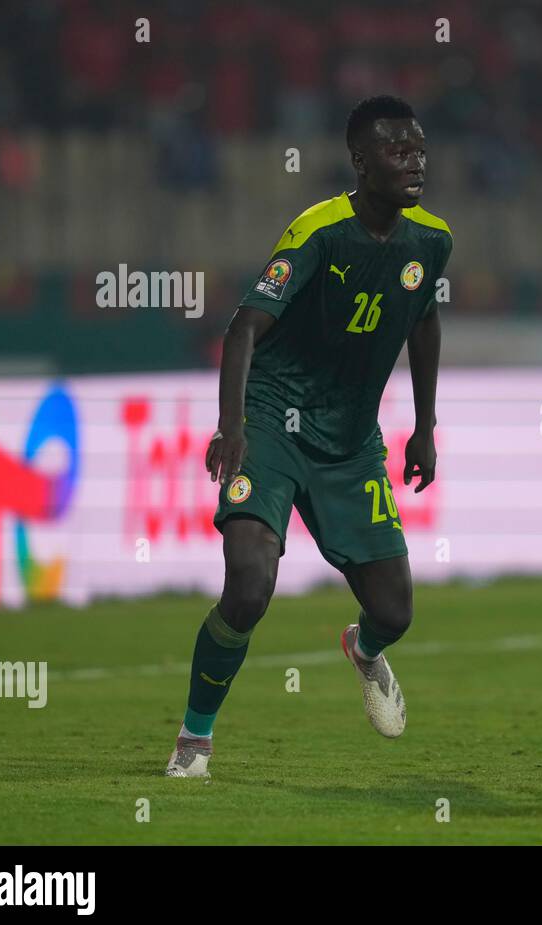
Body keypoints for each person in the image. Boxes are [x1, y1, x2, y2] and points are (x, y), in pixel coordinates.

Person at [165, 95, 451, 777]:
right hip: (270, 420)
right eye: (397, 150)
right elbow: (242, 327)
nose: (414, 162)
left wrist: (425, 426)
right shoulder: (318, 232)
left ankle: (363, 647)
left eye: (419, 148)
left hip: (351, 441)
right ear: (360, 161)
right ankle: (194, 741)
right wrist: (232, 427)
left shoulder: (431, 239)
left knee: (396, 610)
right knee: (249, 583)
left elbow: (424, 321)